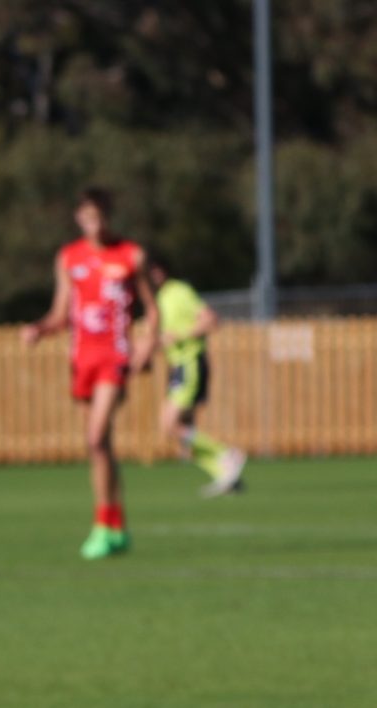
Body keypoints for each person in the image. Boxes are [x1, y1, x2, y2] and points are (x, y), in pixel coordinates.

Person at [21, 186, 160, 560]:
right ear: (78, 219)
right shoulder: (69, 258)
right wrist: (39, 329)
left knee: (97, 436)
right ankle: (117, 527)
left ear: (109, 217)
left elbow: (151, 307)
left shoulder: (131, 255)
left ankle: (103, 524)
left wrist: (147, 345)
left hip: (114, 355)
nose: (93, 225)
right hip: (82, 357)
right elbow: (60, 313)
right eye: (86, 218)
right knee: (98, 447)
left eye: (99, 217)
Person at [145, 253, 246, 497]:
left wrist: (180, 336)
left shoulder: (178, 291)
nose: (152, 274)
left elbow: (211, 320)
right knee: (182, 433)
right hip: (178, 365)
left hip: (189, 363)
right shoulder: (158, 298)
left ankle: (226, 454)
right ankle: (225, 474)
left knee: (169, 425)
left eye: (155, 268)